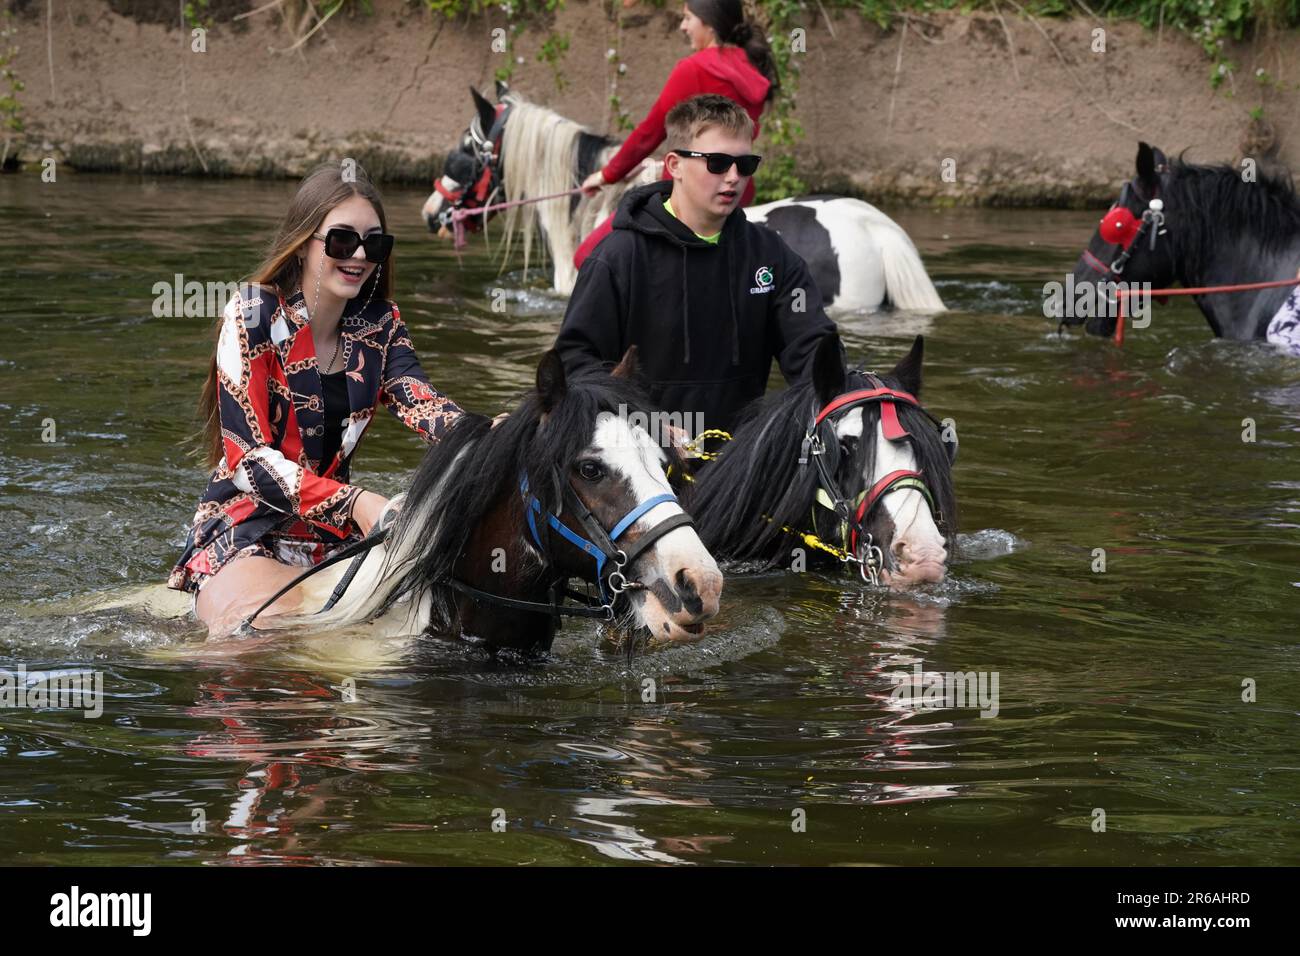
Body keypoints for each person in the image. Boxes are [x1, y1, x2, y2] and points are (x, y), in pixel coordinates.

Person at [168, 162, 465, 637]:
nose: (360, 255)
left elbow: (422, 401)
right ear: (304, 243)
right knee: (251, 642)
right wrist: (357, 504)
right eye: (343, 240)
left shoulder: (380, 324)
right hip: (247, 528)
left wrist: (489, 434)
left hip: (332, 541)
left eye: (375, 243)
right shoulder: (253, 313)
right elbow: (248, 463)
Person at [555, 94, 838, 442]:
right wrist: (645, 426)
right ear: (674, 165)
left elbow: (812, 348)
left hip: (739, 461)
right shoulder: (617, 258)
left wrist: (846, 395)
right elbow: (575, 363)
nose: (734, 177)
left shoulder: (772, 256)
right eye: (717, 163)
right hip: (642, 463)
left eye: (745, 164)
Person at [572, 0, 777, 271]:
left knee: (587, 255)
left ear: (708, 23)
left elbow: (649, 133)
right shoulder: (752, 70)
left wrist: (605, 175)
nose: (683, 26)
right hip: (740, 190)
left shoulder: (693, 69)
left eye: (688, 18)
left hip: (688, 194)